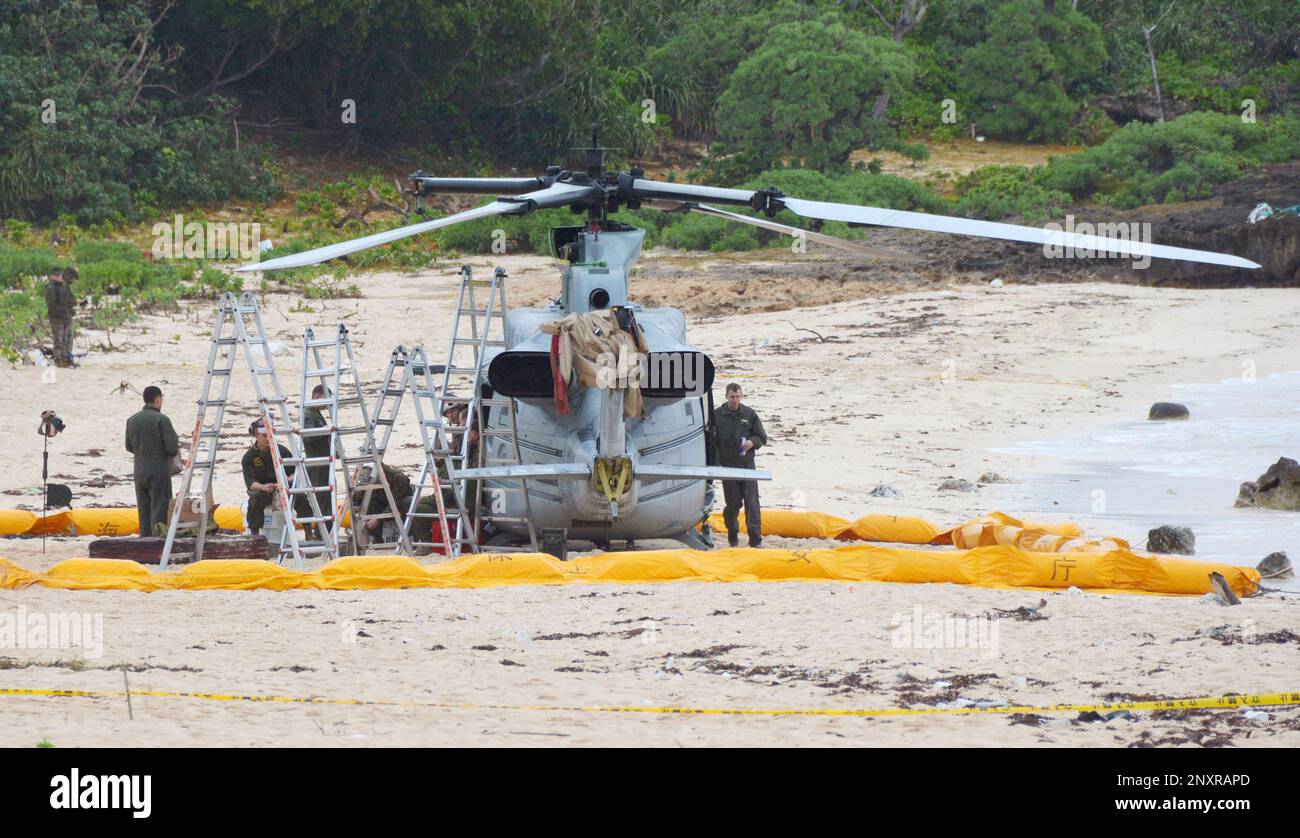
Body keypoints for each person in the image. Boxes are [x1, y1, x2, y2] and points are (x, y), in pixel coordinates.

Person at [713, 382, 768, 548]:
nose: (735, 400)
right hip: (728, 467)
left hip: (747, 465)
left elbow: (761, 436)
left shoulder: (749, 414)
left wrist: (753, 441)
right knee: (734, 504)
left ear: (741, 396)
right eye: (732, 397)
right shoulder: (717, 415)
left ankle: (755, 540)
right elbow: (712, 442)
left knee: (752, 504)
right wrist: (715, 465)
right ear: (726, 396)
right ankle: (732, 533)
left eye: (738, 397)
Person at [125, 385, 180, 537]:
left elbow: (128, 446)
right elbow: (171, 448)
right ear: (157, 400)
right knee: (160, 507)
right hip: (159, 469)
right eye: (161, 398)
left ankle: (145, 541)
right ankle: (158, 542)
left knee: (144, 509)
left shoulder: (132, 420)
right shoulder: (162, 419)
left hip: (139, 469)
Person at [242, 420, 295, 537]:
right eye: (264, 436)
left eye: (270, 436)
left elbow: (295, 473)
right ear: (256, 436)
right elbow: (250, 483)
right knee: (255, 499)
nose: (267, 439)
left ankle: (308, 530)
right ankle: (254, 534)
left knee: (301, 496)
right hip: (264, 490)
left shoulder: (282, 451)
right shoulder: (249, 457)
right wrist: (263, 487)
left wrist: (286, 481)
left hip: (283, 489)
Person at [299, 384, 333, 540]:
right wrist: (327, 433)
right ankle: (322, 532)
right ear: (318, 396)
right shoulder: (308, 413)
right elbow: (309, 436)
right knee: (321, 499)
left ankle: (326, 531)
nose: (327, 405)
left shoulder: (317, 414)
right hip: (316, 463)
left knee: (327, 498)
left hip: (324, 461)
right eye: (326, 400)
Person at [45, 267, 77, 367]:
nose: (59, 277)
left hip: (66, 317)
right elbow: (52, 305)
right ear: (51, 276)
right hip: (57, 319)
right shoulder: (50, 288)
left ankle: (66, 359)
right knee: (59, 340)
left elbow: (68, 301)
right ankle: (59, 360)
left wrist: (71, 310)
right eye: (56, 275)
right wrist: (62, 314)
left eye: (60, 275)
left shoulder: (63, 286)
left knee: (68, 339)